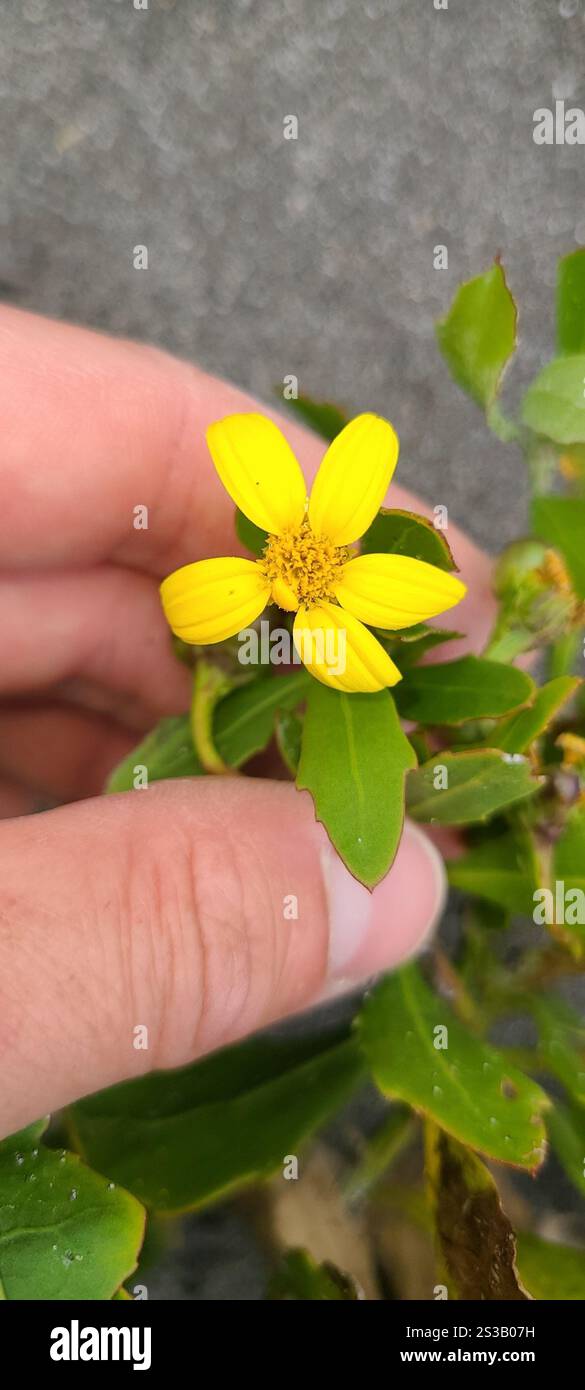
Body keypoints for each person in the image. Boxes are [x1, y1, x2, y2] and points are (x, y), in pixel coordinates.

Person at [0, 306, 496, 1140]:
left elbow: (373, 628)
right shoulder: (254, 578)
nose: (305, 560)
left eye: (313, 558)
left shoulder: (332, 601)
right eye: (298, 555)